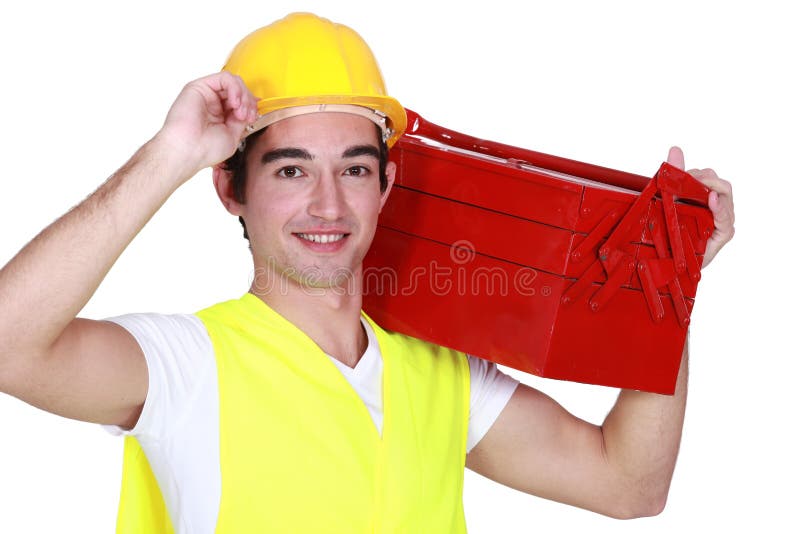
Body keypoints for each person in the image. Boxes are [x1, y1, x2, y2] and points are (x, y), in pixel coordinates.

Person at [0, 12, 734, 533]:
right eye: (291, 170)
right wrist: (171, 153)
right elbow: (9, 344)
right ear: (231, 188)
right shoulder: (187, 366)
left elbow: (628, 485)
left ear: (386, 186)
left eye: (354, 168)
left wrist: (668, 279)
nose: (328, 204)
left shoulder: (440, 373)